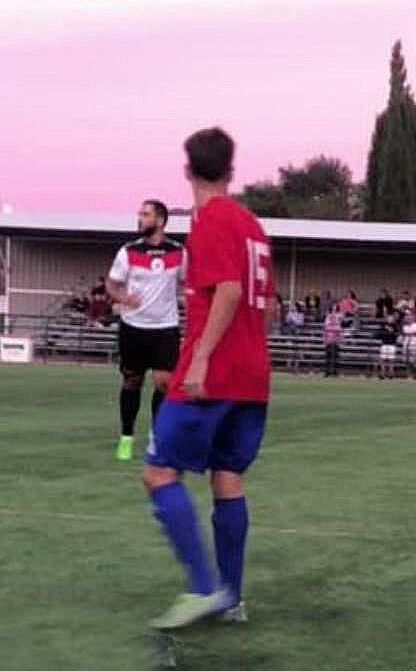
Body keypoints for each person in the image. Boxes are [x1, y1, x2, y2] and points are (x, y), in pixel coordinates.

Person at [142, 127, 275, 629]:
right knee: (227, 477)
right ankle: (233, 598)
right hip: (252, 373)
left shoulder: (211, 220)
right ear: (232, 170)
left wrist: (199, 359)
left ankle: (203, 587)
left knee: (158, 472)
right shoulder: (253, 227)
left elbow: (227, 291)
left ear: (187, 170)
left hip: (213, 370)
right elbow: (267, 305)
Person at [106, 199, 186, 461]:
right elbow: (112, 284)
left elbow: (189, 284)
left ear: (160, 220)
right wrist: (122, 298)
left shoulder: (179, 252)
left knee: (164, 383)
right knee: (132, 381)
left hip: (165, 328)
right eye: (140, 213)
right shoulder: (128, 251)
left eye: (145, 214)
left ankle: (156, 438)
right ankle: (126, 436)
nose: (140, 218)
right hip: (133, 328)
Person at [375, 311, 400, 379]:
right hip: (384, 344)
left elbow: (397, 334)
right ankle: (382, 373)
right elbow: (379, 333)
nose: (390, 319)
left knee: (391, 359)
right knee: (382, 359)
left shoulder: (395, 326)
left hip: (392, 344)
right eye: (389, 318)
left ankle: (391, 373)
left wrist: (392, 333)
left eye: (391, 318)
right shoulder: (383, 325)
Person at [323, 304, 344, 376]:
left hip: (336, 340)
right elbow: (326, 328)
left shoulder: (338, 316)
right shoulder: (328, 317)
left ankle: (335, 371)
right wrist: (325, 339)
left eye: (335, 309)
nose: (334, 311)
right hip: (329, 340)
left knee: (336, 356)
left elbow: (339, 328)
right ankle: (327, 371)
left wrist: (340, 338)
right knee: (328, 356)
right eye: (333, 309)